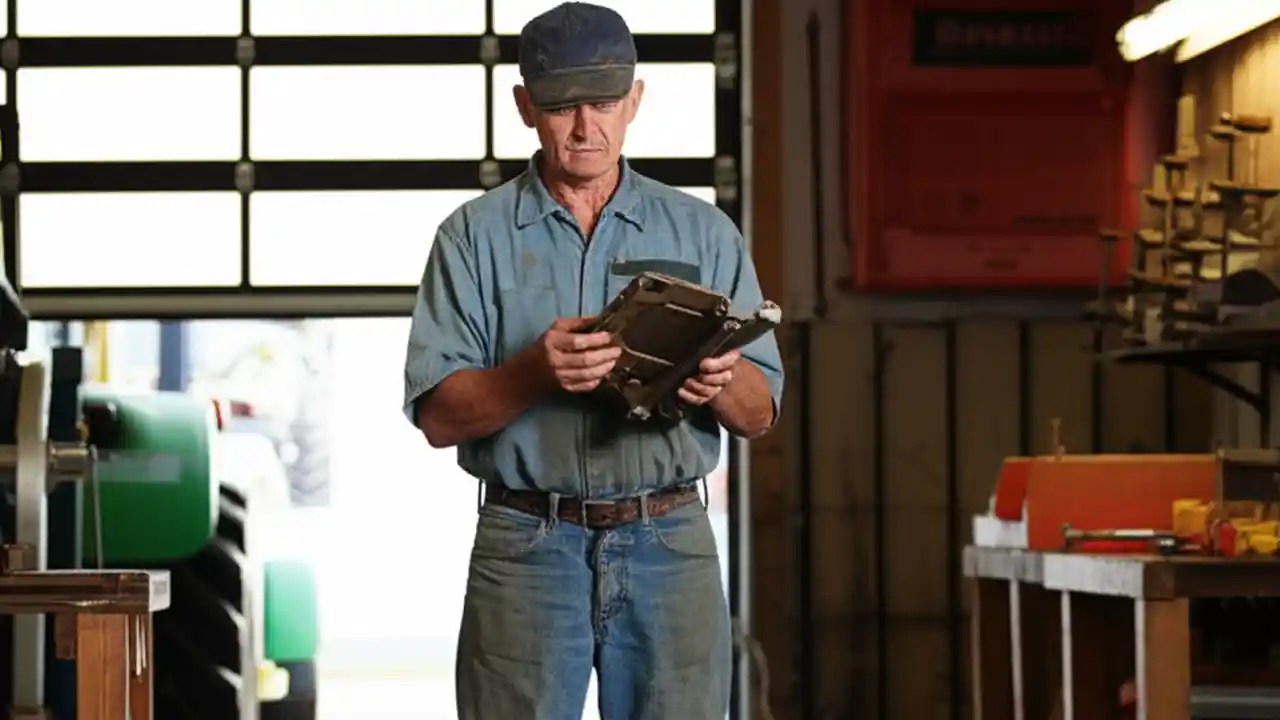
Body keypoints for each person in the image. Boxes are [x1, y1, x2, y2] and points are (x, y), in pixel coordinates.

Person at [401, 3, 784, 718]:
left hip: (669, 541)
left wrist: (720, 382)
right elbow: (438, 419)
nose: (586, 129)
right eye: (561, 106)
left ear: (635, 98)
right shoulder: (470, 240)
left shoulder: (703, 232)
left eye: (604, 103)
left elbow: (760, 414)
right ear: (524, 107)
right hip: (525, 546)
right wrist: (531, 373)